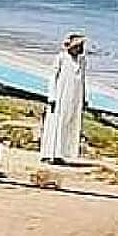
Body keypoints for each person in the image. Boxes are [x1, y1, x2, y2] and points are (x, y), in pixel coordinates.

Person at [40, 33, 87, 165]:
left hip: (74, 97)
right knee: (55, 124)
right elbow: (53, 77)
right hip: (60, 96)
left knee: (68, 124)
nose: (80, 49)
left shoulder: (82, 60)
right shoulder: (61, 58)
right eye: (78, 46)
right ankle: (50, 154)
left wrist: (84, 98)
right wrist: (52, 96)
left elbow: (83, 80)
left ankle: (61, 154)